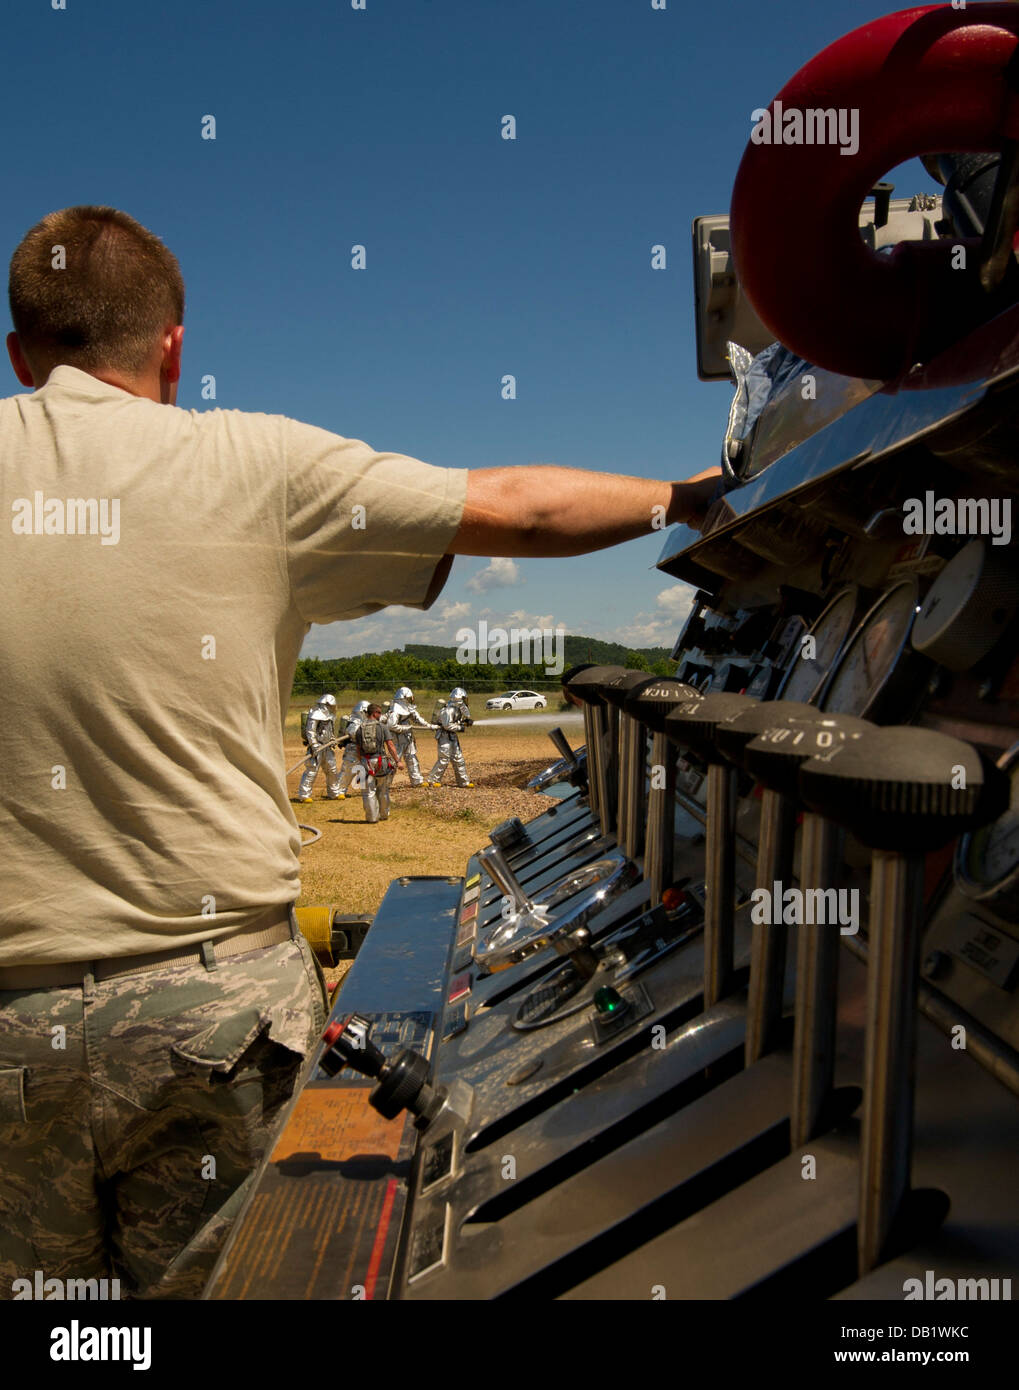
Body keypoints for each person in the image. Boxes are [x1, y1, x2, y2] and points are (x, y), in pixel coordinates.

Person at [0, 204, 719, 1301]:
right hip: (211, 1012)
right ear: (172, 348)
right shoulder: (251, 461)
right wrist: (689, 499)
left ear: (18, 353)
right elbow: (517, 512)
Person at [353, 704, 401, 822]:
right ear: (374, 713)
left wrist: (361, 762)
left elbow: (358, 749)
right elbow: (390, 745)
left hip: (365, 762)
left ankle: (372, 818)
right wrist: (397, 761)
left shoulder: (360, 728)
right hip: (381, 761)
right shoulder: (382, 727)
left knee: (368, 792)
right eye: (379, 712)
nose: (380, 715)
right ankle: (384, 814)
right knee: (383, 789)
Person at [295, 693, 346, 802]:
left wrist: (332, 739)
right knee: (312, 770)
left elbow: (330, 731)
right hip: (317, 748)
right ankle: (304, 795)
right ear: (326, 704)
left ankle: (334, 793)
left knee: (332, 770)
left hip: (327, 748)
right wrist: (314, 745)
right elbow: (310, 731)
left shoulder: (331, 716)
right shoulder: (315, 714)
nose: (333, 708)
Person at [384, 686, 435, 788]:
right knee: (394, 761)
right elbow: (391, 725)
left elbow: (418, 719)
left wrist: (430, 726)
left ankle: (417, 781)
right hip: (397, 738)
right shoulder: (395, 710)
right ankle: (384, 784)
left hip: (408, 737)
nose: (411, 699)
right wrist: (405, 728)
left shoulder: (408, 707)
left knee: (412, 758)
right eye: (409, 698)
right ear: (404, 698)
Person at [428, 687, 474, 787]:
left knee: (458, 758)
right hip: (444, 737)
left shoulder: (457, 709)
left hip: (452, 736)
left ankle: (463, 782)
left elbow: (456, 721)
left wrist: (465, 722)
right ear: (459, 698)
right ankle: (433, 780)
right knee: (444, 759)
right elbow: (447, 725)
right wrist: (461, 728)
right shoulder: (448, 710)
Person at [335, 699, 370, 797]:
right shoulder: (354, 722)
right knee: (347, 771)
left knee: (366, 770)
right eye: (368, 712)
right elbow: (353, 733)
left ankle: (365, 790)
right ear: (362, 711)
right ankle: (339, 791)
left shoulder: (367, 721)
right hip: (352, 750)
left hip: (364, 750)